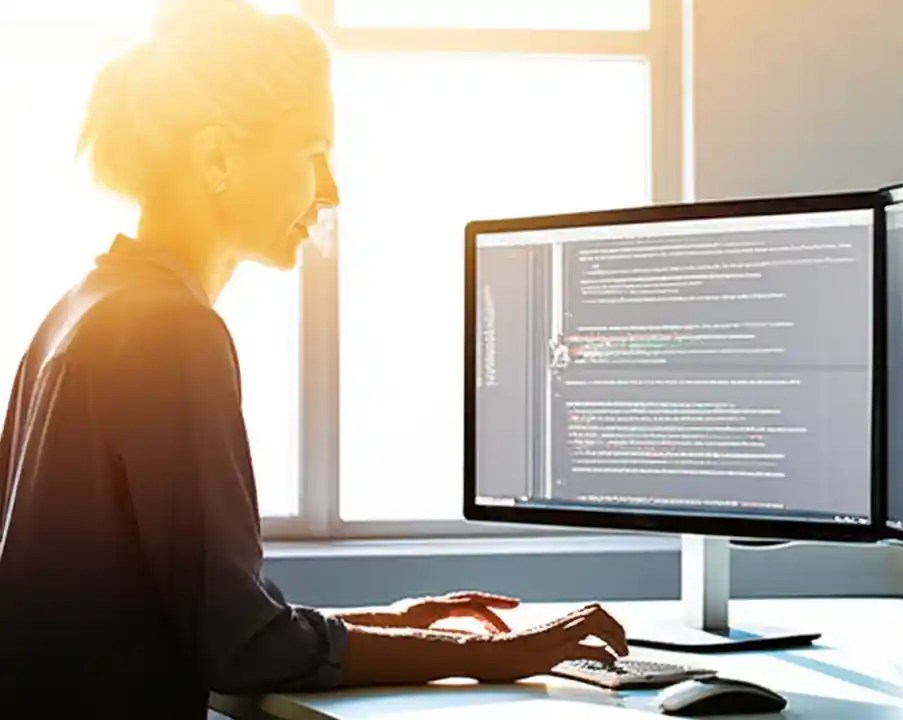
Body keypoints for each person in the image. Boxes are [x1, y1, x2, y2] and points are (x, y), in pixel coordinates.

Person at [0, 0, 626, 716]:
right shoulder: (170, 332)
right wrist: (489, 656)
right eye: (311, 154)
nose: (331, 191)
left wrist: (397, 623)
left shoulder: (84, 305)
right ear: (216, 157)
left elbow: (208, 613)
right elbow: (241, 646)